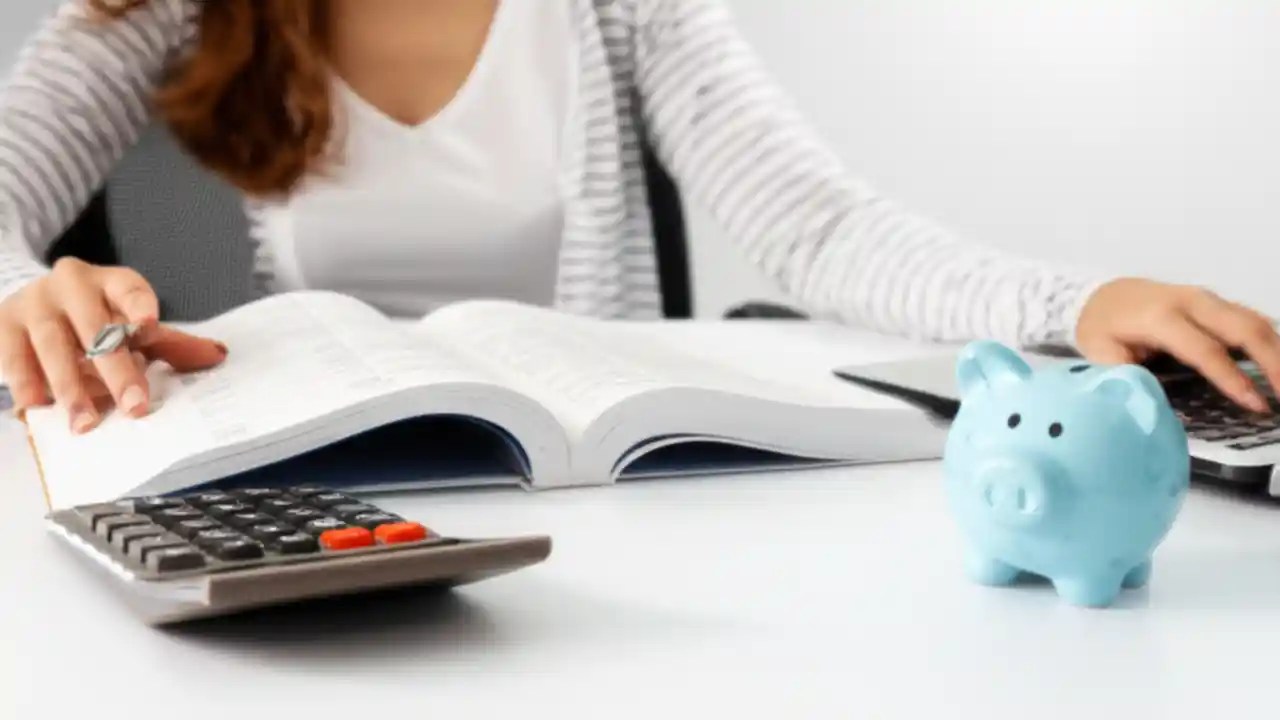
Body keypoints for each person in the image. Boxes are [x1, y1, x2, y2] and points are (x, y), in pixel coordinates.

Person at [0, 0, 1276, 436]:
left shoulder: (622, 7)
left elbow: (817, 232)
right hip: (297, 498)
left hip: (591, 493)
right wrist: (21, 288)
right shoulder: (164, 8)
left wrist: (1072, 304)